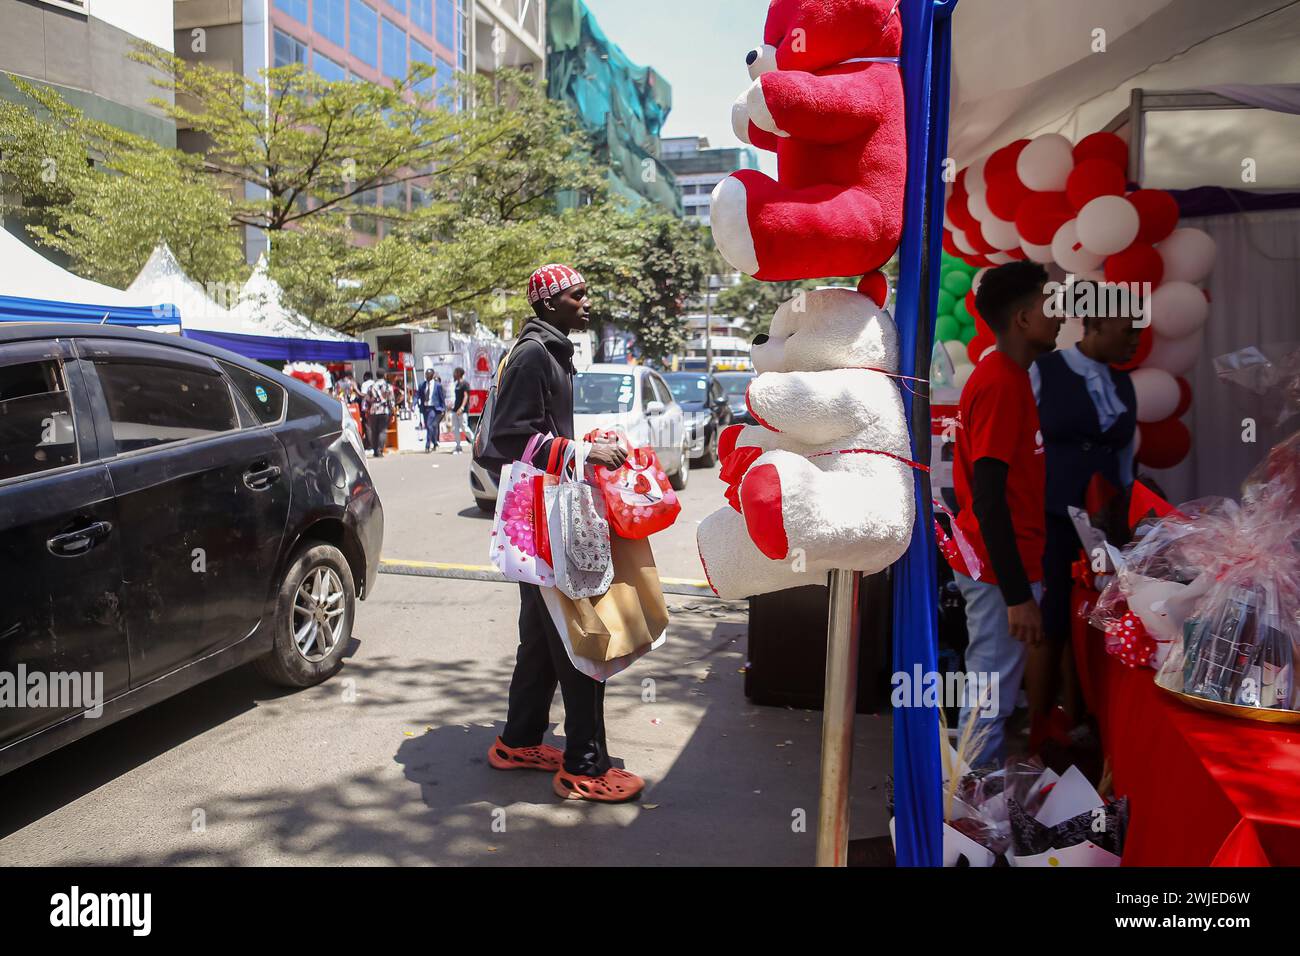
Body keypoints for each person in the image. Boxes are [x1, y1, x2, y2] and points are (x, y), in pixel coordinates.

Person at [474, 263, 643, 803]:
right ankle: (585, 767)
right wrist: (578, 451)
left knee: (543, 641)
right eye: (576, 295)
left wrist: (580, 443)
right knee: (579, 639)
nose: (586, 302)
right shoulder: (532, 355)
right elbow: (507, 438)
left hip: (545, 515)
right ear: (548, 304)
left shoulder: (550, 351)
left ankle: (519, 740)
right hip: (544, 522)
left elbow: (536, 431)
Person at [947, 260, 1062, 767]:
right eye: (1048, 306)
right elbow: (989, 497)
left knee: (993, 695)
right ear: (1021, 318)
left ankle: (972, 807)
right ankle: (968, 818)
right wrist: (1018, 595)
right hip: (998, 572)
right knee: (988, 700)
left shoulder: (1011, 377)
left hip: (1003, 567)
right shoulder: (1000, 382)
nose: (1059, 316)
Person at [1027, 281, 1140, 741]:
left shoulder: (1122, 381)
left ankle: (1081, 721)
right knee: (1052, 617)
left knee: (1096, 614)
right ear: (1094, 325)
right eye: (1127, 331)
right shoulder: (1045, 370)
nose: (1134, 340)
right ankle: (1037, 729)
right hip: (1053, 511)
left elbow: (1126, 457)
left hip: (1104, 520)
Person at [417, 369, 446, 453]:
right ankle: (435, 442)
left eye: (429, 375)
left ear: (432, 375)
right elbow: (418, 395)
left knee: (430, 425)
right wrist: (414, 403)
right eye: (426, 375)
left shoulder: (438, 386)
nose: (427, 376)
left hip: (433, 408)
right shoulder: (422, 385)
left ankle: (427, 445)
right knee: (429, 427)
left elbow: (442, 397)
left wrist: (443, 408)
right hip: (425, 408)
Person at [366, 376, 393, 458]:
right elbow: (391, 399)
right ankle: (380, 450)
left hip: (374, 410)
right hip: (384, 410)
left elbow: (367, 398)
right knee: (382, 430)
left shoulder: (371, 386)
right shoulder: (388, 386)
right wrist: (392, 410)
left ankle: (375, 451)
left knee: (374, 431)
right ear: (384, 375)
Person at [451, 367, 472, 455]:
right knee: (455, 429)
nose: (454, 374)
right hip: (455, 410)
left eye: (455, 372)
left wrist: (462, 407)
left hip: (462, 410)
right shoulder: (457, 384)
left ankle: (475, 443)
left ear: (459, 373)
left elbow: (466, 396)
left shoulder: (465, 384)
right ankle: (458, 447)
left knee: (464, 428)